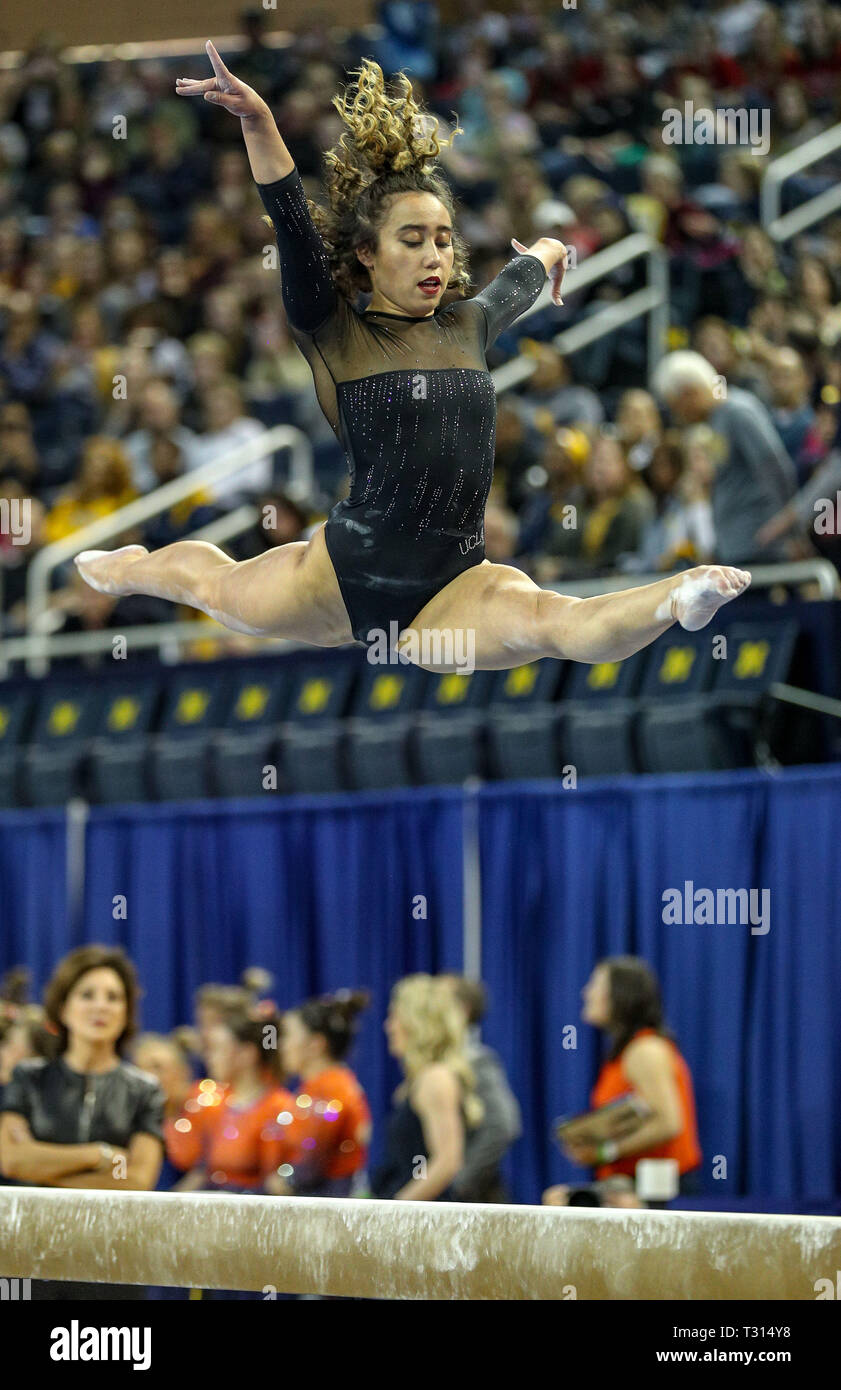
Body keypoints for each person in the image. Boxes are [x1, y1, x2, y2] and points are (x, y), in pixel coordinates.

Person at [74, 42, 751, 669]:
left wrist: (551, 253)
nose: (434, 255)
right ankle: (129, 566)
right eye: (411, 240)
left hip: (451, 590)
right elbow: (291, 221)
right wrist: (258, 121)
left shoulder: (468, 324)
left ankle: (677, 597)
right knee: (215, 585)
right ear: (366, 253)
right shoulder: (335, 332)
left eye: (443, 239)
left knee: (551, 622)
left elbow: (527, 271)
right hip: (341, 580)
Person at [0, 945, 165, 1299]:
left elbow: (137, 1181)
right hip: (30, 1253)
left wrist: (42, 1168)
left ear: (126, 1012)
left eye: (114, 997)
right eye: (87, 994)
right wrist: (98, 1154)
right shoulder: (29, 1078)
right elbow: (12, 1160)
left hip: (112, 1259)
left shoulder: (145, 1091)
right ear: (63, 1006)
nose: (101, 1006)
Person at [543, 957, 702, 1206]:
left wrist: (603, 1151)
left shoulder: (645, 1049)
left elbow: (670, 1123)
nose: (586, 993)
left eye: (595, 985)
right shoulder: (626, 1052)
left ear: (620, 996)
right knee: (556, 1199)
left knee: (559, 1201)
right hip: (628, 1182)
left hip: (655, 1191)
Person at [372, 974, 482, 1201]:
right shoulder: (416, 1081)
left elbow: (447, 1162)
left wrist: (396, 1211)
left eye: (394, 1016)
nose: (388, 1026)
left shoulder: (436, 1079)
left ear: (416, 1023)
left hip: (419, 1219)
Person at [272, 990, 371, 1197]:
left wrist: (284, 1179)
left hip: (332, 1204)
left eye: (288, 1036)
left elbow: (311, 1162)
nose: (281, 1045)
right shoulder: (315, 1088)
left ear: (316, 1044)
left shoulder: (332, 1089)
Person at [440, 975, 521, 1201]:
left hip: (472, 1205)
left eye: (440, 1000)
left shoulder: (476, 1061)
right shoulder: (433, 1064)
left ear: (462, 1010)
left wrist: (458, 1184)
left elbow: (503, 1125)